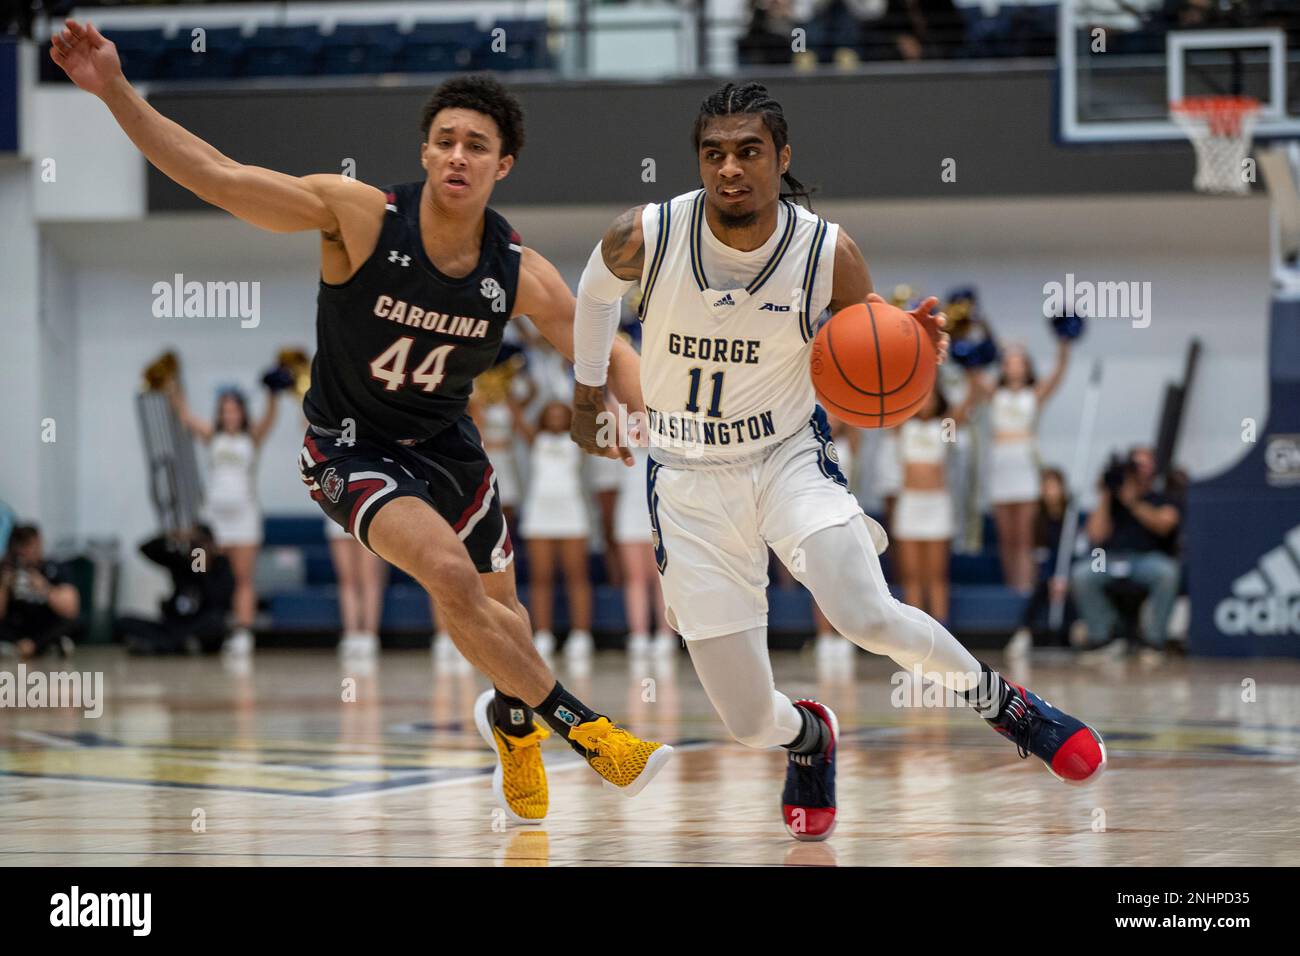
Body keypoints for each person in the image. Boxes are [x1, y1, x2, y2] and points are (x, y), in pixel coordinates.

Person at [51, 22, 670, 823]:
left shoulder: (513, 270)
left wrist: (648, 420)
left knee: (502, 613)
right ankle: (586, 731)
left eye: (475, 145)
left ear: (501, 165)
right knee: (448, 577)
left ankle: (511, 724)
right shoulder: (361, 218)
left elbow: (605, 343)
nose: (457, 155)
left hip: (449, 448)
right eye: (443, 140)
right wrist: (115, 92)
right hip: (349, 447)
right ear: (423, 153)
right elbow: (218, 176)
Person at [570, 81, 1105, 840]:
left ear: (781, 158)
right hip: (686, 477)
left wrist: (911, 346)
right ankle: (809, 738)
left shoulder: (826, 250)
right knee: (749, 721)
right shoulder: (648, 234)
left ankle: (1009, 707)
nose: (730, 169)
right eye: (713, 154)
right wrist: (589, 397)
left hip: (788, 456)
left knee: (863, 612)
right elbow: (593, 297)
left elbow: (875, 357)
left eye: (749, 152)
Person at [968, 339, 1070, 593]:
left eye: (1019, 362)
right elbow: (972, 371)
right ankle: (1011, 588)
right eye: (1008, 362)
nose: (1013, 367)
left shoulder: (1033, 395)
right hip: (1001, 466)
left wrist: (1064, 344)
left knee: (1025, 536)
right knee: (1007, 537)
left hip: (1024, 466)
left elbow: (1057, 374)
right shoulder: (995, 395)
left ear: (1026, 367)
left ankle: (1026, 589)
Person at [1071, 446, 1182, 660]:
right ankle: (1103, 637)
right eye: (1135, 465)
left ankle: (1153, 641)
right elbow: (1095, 535)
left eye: (1143, 465)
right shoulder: (1111, 500)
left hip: (1147, 559)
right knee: (1082, 574)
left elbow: (1165, 524)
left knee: (1168, 572)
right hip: (1109, 559)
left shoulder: (1161, 496)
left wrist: (1133, 502)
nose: (1139, 471)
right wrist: (1106, 494)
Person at [515, 399, 595, 661]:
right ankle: (543, 634)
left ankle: (581, 635)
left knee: (577, 575)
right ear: (544, 417)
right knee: (541, 577)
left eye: (562, 414)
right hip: (540, 513)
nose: (557, 418)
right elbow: (515, 416)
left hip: (571, 511)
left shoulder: (577, 443)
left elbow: (591, 423)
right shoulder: (536, 440)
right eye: (552, 413)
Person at [893, 383, 974, 625]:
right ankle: (915, 631)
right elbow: (884, 406)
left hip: (937, 504)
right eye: (920, 398)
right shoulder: (902, 426)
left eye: (930, 398)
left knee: (937, 574)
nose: (926, 403)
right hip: (910, 503)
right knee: (911, 574)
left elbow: (970, 402)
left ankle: (941, 629)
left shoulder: (945, 427)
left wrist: (972, 370)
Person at [117, 525, 234, 655]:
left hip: (199, 626)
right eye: (194, 545)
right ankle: (176, 645)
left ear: (211, 545)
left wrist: (202, 570)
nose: (198, 551)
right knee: (124, 622)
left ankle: (165, 645)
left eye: (201, 545)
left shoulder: (221, 567)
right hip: (174, 627)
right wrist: (170, 536)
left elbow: (219, 601)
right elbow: (147, 549)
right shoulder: (181, 563)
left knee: (216, 622)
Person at [1005, 466, 1078, 657]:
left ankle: (1075, 634)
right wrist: (1052, 578)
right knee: (1040, 591)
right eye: (1047, 487)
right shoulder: (1039, 521)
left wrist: (1065, 578)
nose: (1050, 492)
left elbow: (1076, 552)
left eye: (1054, 487)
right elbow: (1041, 555)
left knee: (1070, 595)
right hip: (1049, 574)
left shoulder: (1072, 518)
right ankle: (1023, 634)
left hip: (1070, 572)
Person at [0, 524, 79, 660]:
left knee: (72, 623)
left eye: (30, 545)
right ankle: (19, 646)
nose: (25, 551)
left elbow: (72, 609)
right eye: (21, 545)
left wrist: (45, 588)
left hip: (43, 626)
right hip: (15, 624)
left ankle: (39, 646)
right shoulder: (5, 569)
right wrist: (4, 587)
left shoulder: (53, 568)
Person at [326, 516, 388, 658]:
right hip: (339, 508)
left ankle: (370, 635)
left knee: (370, 578)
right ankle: (351, 634)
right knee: (347, 579)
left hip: (370, 510)